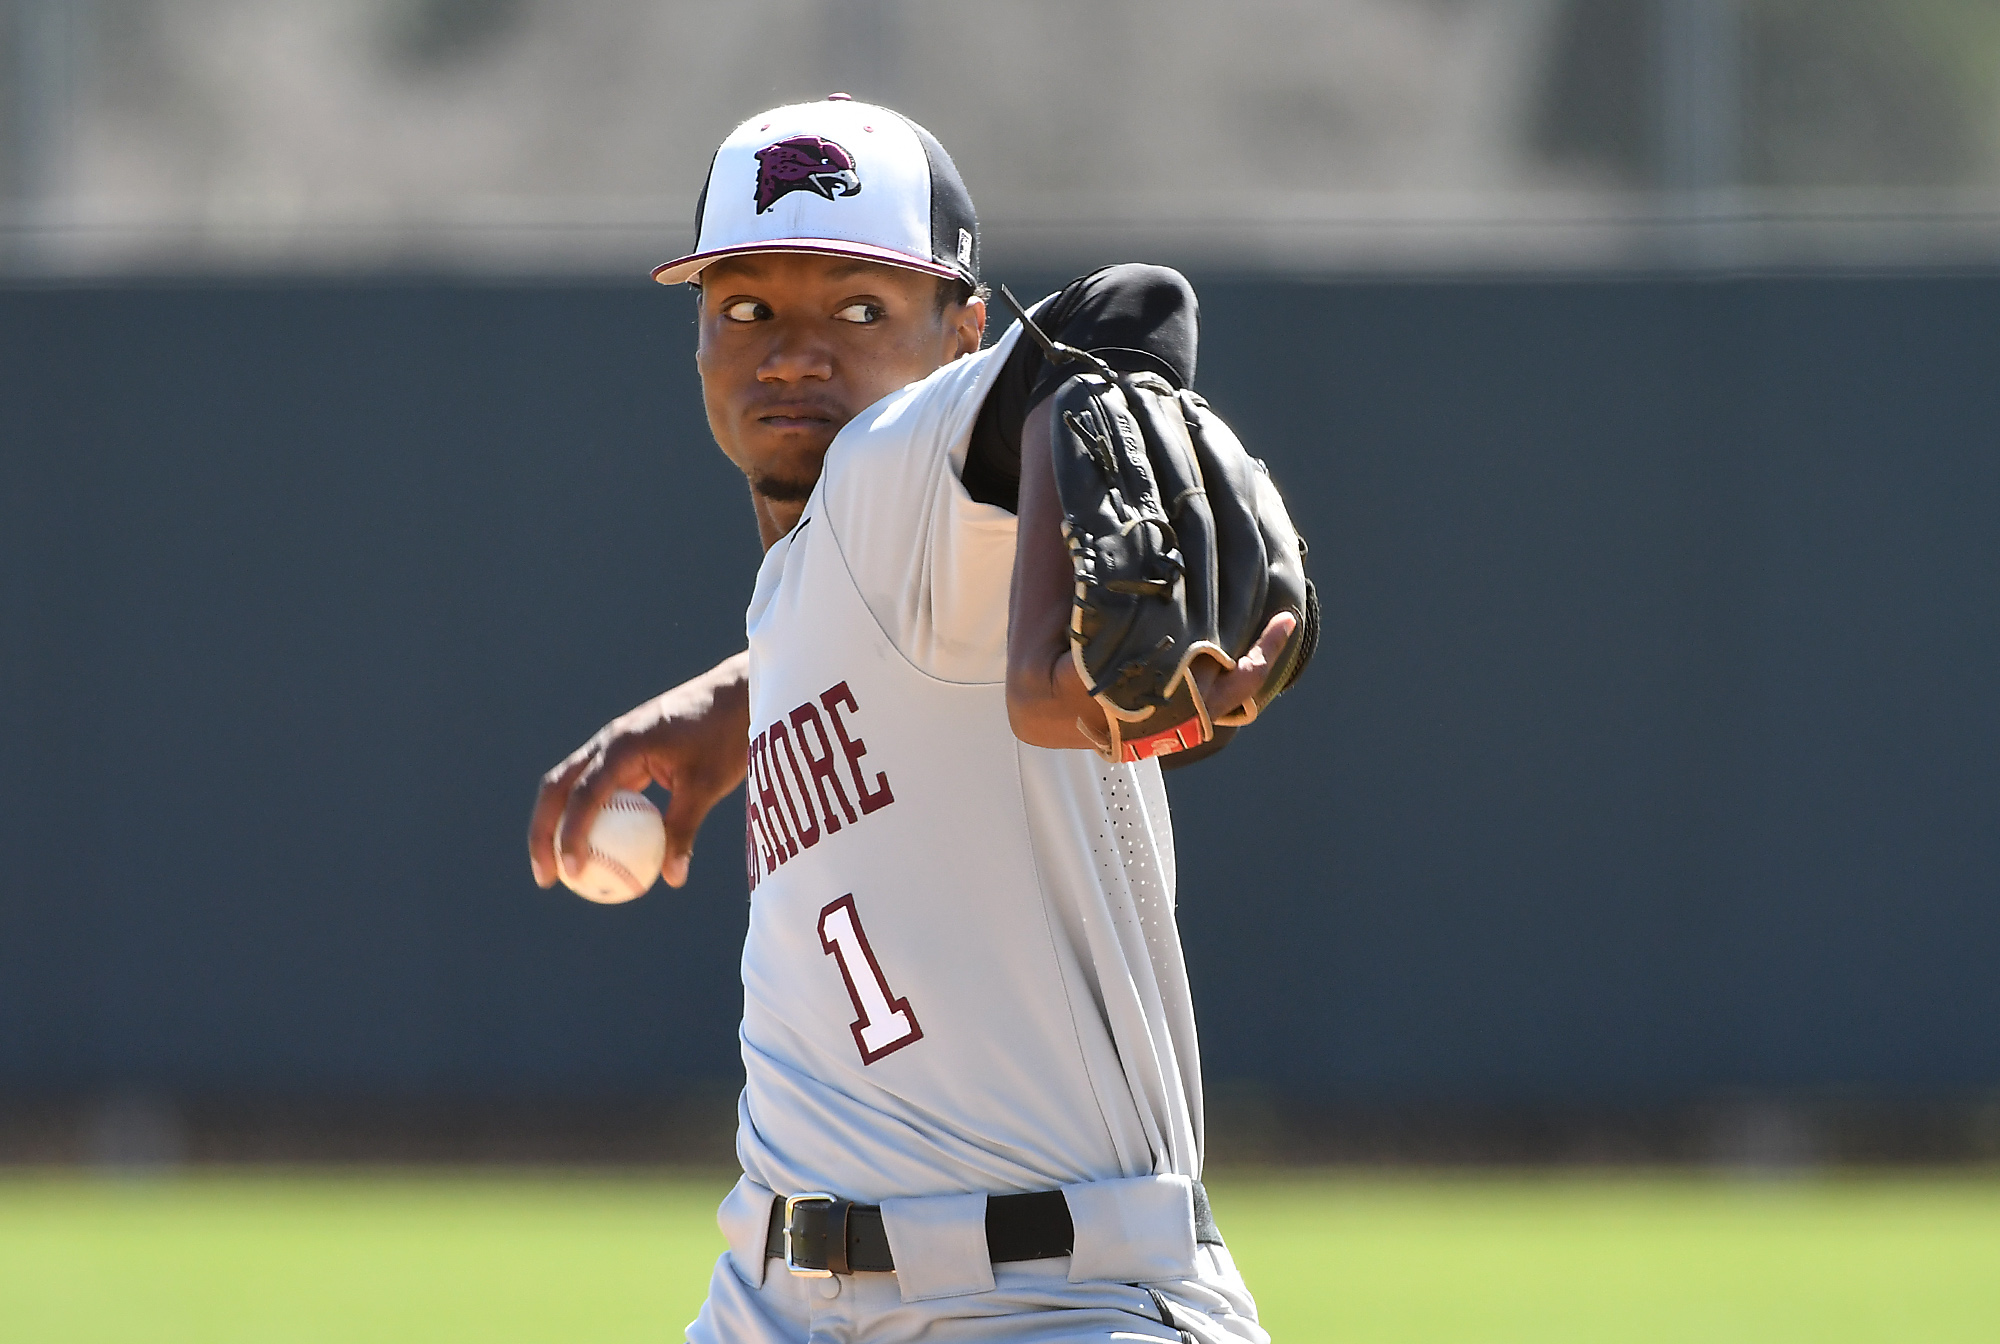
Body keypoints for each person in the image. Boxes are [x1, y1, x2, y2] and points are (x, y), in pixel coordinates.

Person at [526, 95, 1293, 1344]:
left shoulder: (890, 470)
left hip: (1054, 1299)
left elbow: (1127, 313)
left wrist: (1044, 647)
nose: (792, 353)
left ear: (962, 334)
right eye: (744, 308)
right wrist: (736, 700)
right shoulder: (824, 579)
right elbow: (883, 612)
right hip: (775, 1294)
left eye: (858, 308)